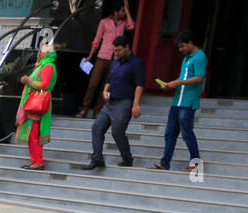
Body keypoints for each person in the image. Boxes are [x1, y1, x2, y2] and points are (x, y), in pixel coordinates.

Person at [150, 30, 206, 172]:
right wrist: (170, 85)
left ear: (190, 43)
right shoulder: (186, 58)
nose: (180, 50)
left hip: (188, 103)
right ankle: (165, 163)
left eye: (182, 46)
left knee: (187, 133)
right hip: (177, 101)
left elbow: (199, 78)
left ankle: (196, 164)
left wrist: (179, 82)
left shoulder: (200, 57)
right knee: (170, 133)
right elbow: (183, 77)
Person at [87, 34, 143, 169]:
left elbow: (139, 85)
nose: (116, 53)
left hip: (125, 102)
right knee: (97, 127)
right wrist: (104, 90)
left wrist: (136, 104)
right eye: (115, 50)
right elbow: (109, 80)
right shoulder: (116, 62)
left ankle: (127, 158)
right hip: (110, 102)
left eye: (118, 50)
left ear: (127, 47)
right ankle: (97, 159)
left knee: (117, 131)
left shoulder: (136, 63)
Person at [78, 0, 133, 118]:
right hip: (102, 57)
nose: (123, 13)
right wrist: (90, 56)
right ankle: (84, 109)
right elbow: (96, 40)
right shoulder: (104, 22)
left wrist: (127, 10)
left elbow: (131, 26)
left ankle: (98, 112)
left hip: (116, 60)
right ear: (116, 11)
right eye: (122, 11)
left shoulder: (124, 23)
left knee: (107, 87)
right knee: (93, 84)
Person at [16, 43, 58, 171]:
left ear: (46, 53)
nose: (38, 53)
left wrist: (28, 81)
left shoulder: (48, 66)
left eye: (41, 52)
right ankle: (34, 160)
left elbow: (44, 85)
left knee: (34, 134)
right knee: (32, 134)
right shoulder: (42, 65)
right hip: (34, 101)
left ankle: (38, 161)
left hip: (38, 103)